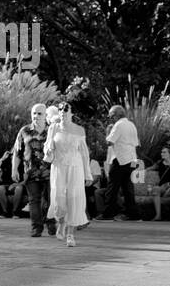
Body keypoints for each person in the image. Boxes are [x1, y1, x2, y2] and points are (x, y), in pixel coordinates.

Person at [45, 94, 95, 247]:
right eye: (61, 111)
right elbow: (48, 146)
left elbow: (85, 153)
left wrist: (88, 173)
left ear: (71, 113)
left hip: (76, 167)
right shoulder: (53, 128)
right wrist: (48, 150)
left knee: (74, 198)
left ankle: (71, 234)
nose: (63, 113)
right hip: (59, 167)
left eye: (66, 111)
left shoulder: (79, 130)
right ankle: (61, 222)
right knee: (59, 199)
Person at [11, 103, 57, 238]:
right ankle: (36, 228)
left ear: (46, 116)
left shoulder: (52, 130)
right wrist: (14, 169)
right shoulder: (24, 131)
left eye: (39, 113)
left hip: (50, 172)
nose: (36, 116)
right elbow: (17, 152)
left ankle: (50, 223)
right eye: (34, 113)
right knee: (34, 200)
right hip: (30, 172)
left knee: (50, 200)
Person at [101, 104, 141, 220]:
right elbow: (136, 143)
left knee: (112, 187)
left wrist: (108, 132)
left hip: (120, 159)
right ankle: (133, 214)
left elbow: (109, 142)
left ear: (115, 116)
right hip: (131, 159)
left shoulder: (118, 125)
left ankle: (107, 214)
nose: (110, 119)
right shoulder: (131, 124)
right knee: (128, 188)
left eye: (110, 116)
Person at [0, 148, 24, 219]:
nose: (13, 156)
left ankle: (15, 211)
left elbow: (25, 179)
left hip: (18, 184)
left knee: (19, 188)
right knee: (0, 188)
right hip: (6, 184)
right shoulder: (6, 162)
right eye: (12, 154)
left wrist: (15, 184)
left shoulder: (21, 163)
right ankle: (4, 212)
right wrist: (2, 159)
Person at [153, 146, 170, 221]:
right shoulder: (160, 163)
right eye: (161, 152)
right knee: (156, 189)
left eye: (164, 152)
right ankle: (158, 215)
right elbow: (150, 168)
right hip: (163, 187)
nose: (162, 154)